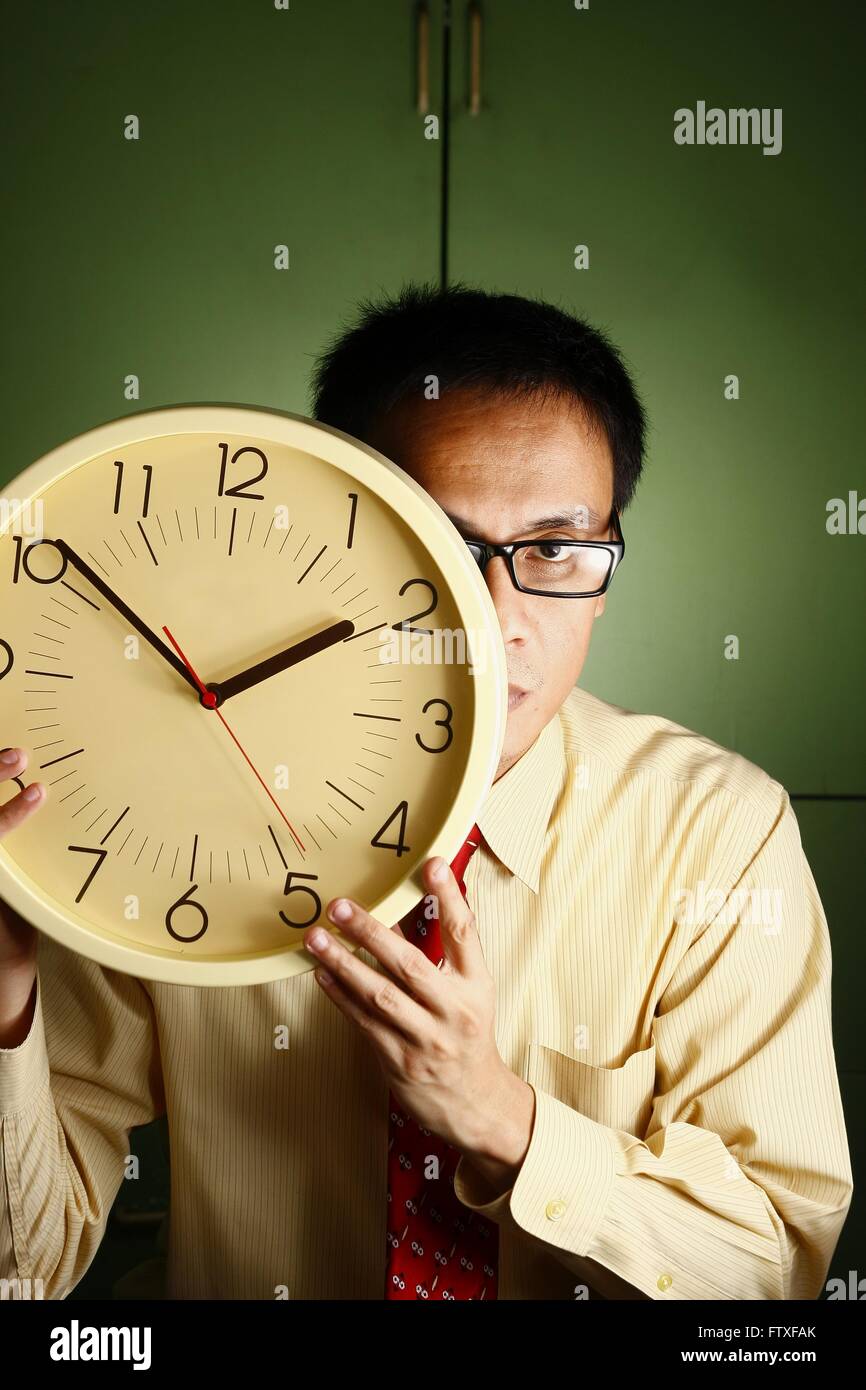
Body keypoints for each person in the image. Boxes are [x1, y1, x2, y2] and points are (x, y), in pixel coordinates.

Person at [0, 284, 852, 1300]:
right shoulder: (143, 838)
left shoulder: (716, 834)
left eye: (553, 550)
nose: (489, 621)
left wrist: (501, 1119)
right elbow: (27, 1272)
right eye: (438, 548)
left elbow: (775, 1277)